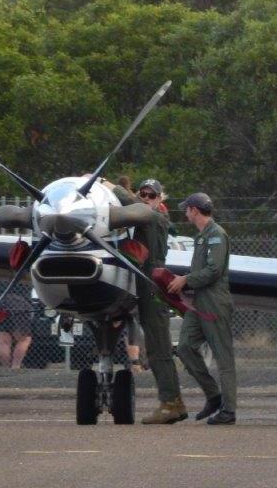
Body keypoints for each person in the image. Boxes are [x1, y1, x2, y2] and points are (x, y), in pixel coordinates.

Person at [109, 177, 188, 425]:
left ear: (160, 199)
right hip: (143, 278)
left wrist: (110, 186)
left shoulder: (156, 218)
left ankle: (171, 403)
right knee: (155, 346)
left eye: (151, 195)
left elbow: (135, 207)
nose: (146, 199)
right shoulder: (141, 218)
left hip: (152, 281)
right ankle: (172, 402)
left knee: (158, 346)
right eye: (142, 194)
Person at [168, 192, 237, 425]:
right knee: (185, 346)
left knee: (223, 358)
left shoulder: (216, 235)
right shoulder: (201, 237)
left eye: (187, 209)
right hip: (199, 302)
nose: (185, 213)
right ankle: (213, 395)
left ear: (194, 210)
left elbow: (214, 270)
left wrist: (185, 280)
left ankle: (228, 411)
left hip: (215, 302)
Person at [0, 280, 33, 368]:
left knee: (4, 341)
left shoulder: (0, 267)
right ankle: (15, 367)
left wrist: (1, 289)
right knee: (23, 339)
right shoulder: (25, 269)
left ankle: (5, 368)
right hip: (20, 303)